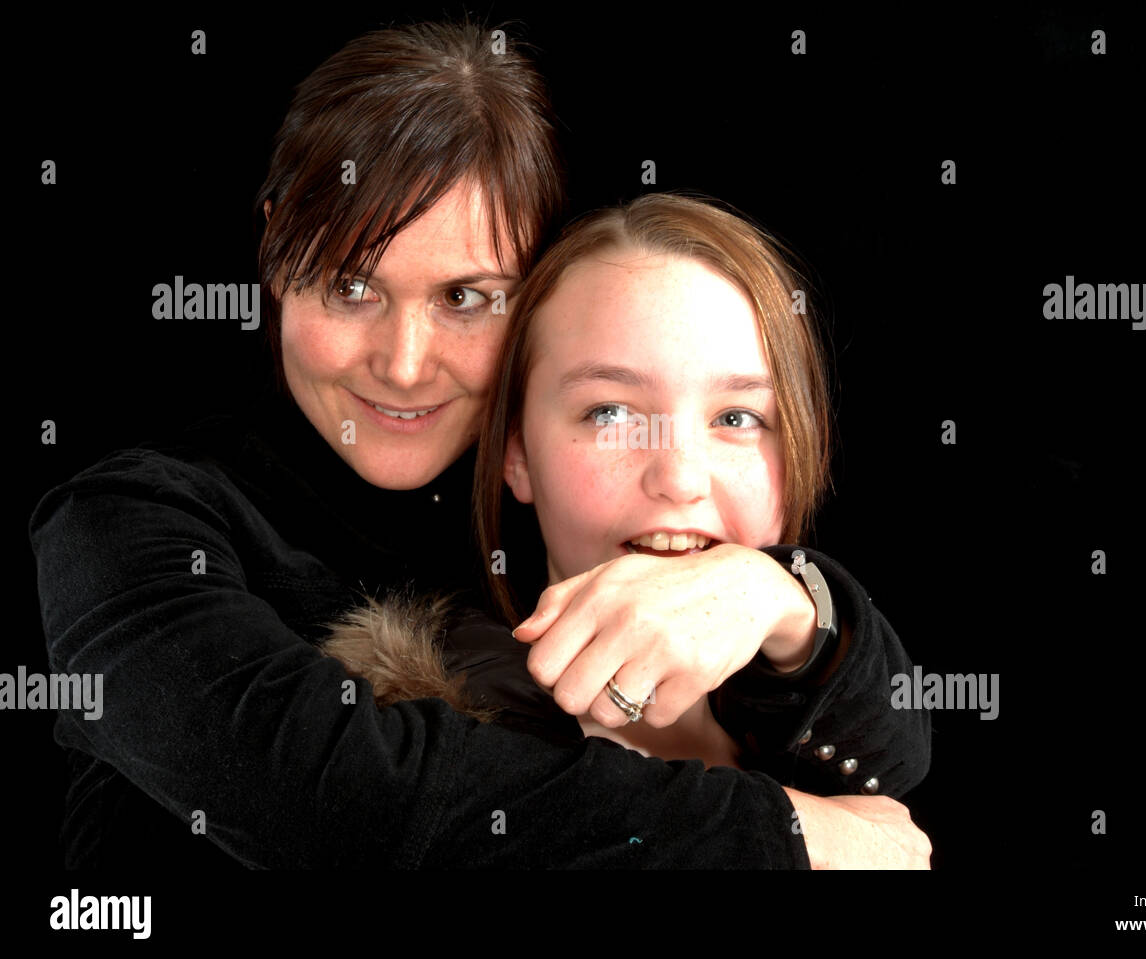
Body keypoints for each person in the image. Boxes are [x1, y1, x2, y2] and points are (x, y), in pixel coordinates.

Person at [29, 20, 930, 869]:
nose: (405, 364)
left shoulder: (578, 503)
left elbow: (892, 752)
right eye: (351, 286)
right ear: (273, 250)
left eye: (465, 297)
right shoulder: (129, 521)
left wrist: (786, 600)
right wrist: (786, 837)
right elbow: (326, 796)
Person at [323, 193, 930, 787]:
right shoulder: (405, 747)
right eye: (610, 414)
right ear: (517, 454)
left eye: (737, 418)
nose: (680, 479)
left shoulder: (818, 729)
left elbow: (900, 749)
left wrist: (787, 606)